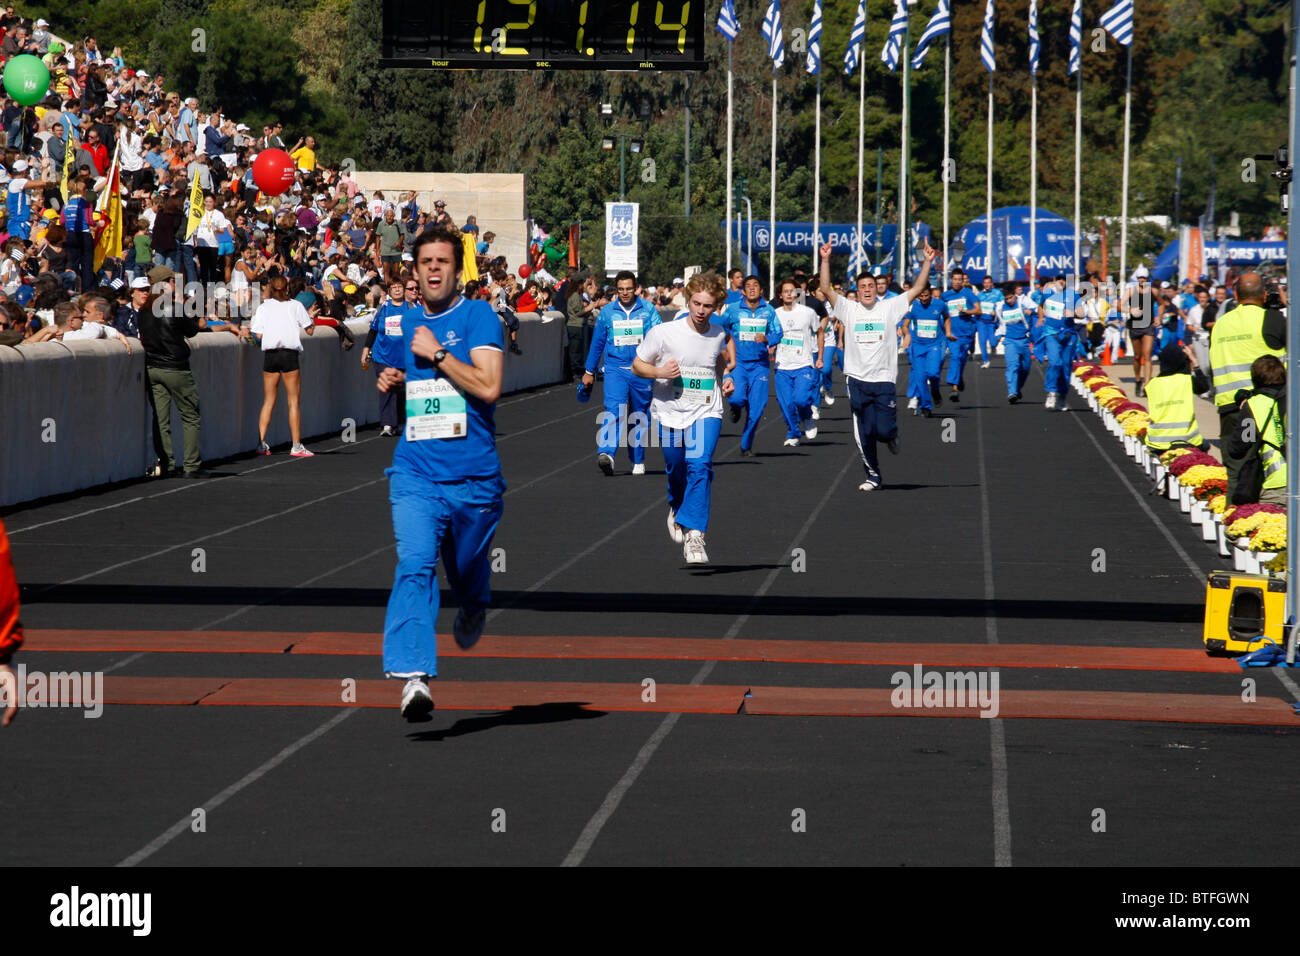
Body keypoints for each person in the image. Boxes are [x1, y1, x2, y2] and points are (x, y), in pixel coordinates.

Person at [377, 226, 506, 721]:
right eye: (425, 262)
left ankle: (474, 600)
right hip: (416, 472)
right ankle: (414, 678)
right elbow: (393, 386)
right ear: (414, 271)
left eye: (443, 262)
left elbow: (490, 387)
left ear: (457, 270)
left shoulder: (479, 316)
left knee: (468, 572)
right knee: (415, 564)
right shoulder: (405, 322)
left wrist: (436, 354)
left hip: (474, 477)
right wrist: (389, 380)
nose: (433, 269)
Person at [632, 271, 736, 564]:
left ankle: (695, 536)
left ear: (716, 307)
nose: (702, 311)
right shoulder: (664, 333)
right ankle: (677, 506)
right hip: (669, 411)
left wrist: (725, 378)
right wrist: (659, 372)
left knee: (700, 464)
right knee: (675, 467)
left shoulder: (717, 333)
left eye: (708, 306)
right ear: (688, 301)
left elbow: (716, 360)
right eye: (697, 304)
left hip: (706, 409)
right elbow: (638, 365)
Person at [819, 238, 937, 491]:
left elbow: (916, 289)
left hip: (883, 379)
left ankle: (891, 436)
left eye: (871, 286)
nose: (867, 290)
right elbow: (826, 289)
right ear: (857, 290)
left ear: (877, 288)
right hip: (856, 379)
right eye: (862, 287)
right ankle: (873, 474)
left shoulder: (889, 307)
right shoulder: (848, 309)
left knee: (882, 430)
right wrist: (826, 260)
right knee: (864, 432)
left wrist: (926, 263)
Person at [1210, 272, 1286, 502]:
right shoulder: (1271, 319)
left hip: (1231, 410)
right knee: (1276, 469)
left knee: (1239, 471)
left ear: (1235, 294)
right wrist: (1283, 308)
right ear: (1265, 294)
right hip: (1266, 410)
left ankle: (1238, 526)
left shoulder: (1221, 324)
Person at [584, 269, 661, 475]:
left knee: (639, 415)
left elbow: (660, 339)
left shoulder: (648, 310)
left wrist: (659, 369)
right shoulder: (608, 312)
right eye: (621, 290)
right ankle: (607, 453)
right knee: (614, 410)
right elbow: (597, 343)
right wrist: (589, 371)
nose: (625, 293)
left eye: (628, 289)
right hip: (615, 370)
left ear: (636, 288)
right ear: (616, 290)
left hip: (641, 370)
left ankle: (637, 459)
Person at [140, 265, 206, 478]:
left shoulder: (143, 310)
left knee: (160, 418)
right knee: (191, 416)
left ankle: (167, 464)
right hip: (176, 367)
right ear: (166, 283)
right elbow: (193, 330)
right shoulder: (172, 307)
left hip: (153, 367)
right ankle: (191, 465)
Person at [250, 275, 317, 457]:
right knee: (293, 401)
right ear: (287, 287)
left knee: (268, 400)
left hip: (270, 355)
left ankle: (261, 443)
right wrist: (312, 318)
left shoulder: (264, 307)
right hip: (289, 354)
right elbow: (309, 330)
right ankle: (296, 445)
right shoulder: (295, 306)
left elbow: (257, 333)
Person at [719, 275, 783, 456]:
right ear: (743, 291)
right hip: (738, 363)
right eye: (748, 286)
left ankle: (746, 446)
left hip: (760, 365)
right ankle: (736, 406)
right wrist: (724, 350)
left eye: (756, 285)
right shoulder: (732, 310)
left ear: (761, 290)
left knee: (756, 409)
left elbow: (778, 332)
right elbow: (720, 330)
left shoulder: (769, 311)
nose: (752, 288)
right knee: (737, 398)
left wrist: (767, 338)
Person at [1225, 355, 1286, 506]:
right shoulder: (1294, 397)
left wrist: (1245, 412)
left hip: (1278, 483)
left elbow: (1238, 448)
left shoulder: (1254, 406)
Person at [772, 276, 822, 443]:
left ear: (797, 293)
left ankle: (807, 415)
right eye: (785, 291)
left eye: (791, 291)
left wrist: (820, 356)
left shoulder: (807, 313)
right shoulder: (774, 314)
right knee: (786, 404)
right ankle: (793, 433)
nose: (788, 294)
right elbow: (769, 335)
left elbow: (820, 331)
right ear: (780, 295)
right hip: (782, 366)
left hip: (804, 364)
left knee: (800, 399)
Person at [362, 277, 409, 437]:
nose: (397, 290)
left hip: (402, 357)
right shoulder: (383, 308)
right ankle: (387, 424)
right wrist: (366, 349)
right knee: (386, 388)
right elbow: (373, 329)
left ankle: (398, 422)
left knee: (399, 390)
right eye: (394, 287)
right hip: (382, 355)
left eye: (399, 287)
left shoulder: (410, 308)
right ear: (389, 291)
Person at [1143, 343, 1210, 454]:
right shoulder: (1186, 380)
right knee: (1204, 445)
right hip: (1187, 440)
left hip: (1157, 442)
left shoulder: (1152, 385)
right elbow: (1204, 387)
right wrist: (1195, 362)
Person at [1036, 275, 1081, 411]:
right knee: (1055, 362)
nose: (1062, 281)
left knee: (1066, 366)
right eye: (1059, 279)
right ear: (1055, 281)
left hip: (1068, 334)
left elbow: (1082, 313)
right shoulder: (1048, 293)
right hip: (1051, 332)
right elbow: (1040, 306)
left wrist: (1072, 313)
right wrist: (1041, 318)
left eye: (1065, 279)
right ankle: (1051, 392)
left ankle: (1063, 396)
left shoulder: (1073, 294)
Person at [903, 281, 945, 417]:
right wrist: (907, 334)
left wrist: (948, 332)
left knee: (933, 373)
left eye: (926, 295)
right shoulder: (913, 306)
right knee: (920, 378)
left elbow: (948, 318)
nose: (923, 298)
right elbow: (905, 325)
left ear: (930, 293)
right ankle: (926, 406)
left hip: (934, 345)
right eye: (921, 296)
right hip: (918, 346)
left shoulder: (939, 304)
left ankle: (935, 390)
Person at [940, 268, 978, 406]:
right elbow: (941, 314)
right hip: (952, 334)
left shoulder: (968, 293)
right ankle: (954, 389)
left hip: (966, 333)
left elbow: (978, 310)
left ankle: (958, 377)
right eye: (954, 279)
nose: (957, 282)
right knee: (955, 357)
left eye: (959, 280)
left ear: (963, 281)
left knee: (961, 359)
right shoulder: (945, 296)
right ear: (951, 280)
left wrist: (966, 311)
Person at [996, 281, 1033, 403]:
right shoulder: (1000, 307)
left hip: (1024, 340)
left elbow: (1036, 308)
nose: (1009, 301)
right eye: (1006, 298)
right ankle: (1012, 392)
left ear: (1015, 295)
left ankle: (1017, 388)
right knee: (1012, 366)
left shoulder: (1023, 302)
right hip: (1010, 340)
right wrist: (998, 335)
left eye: (1010, 298)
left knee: (1025, 369)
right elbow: (1000, 323)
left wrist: (1030, 311)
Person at [975, 274, 1001, 367]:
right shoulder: (980, 295)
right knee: (982, 341)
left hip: (992, 322)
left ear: (992, 284)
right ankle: (985, 360)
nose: (986, 285)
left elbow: (1002, 305)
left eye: (988, 283)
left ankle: (997, 339)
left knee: (993, 343)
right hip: (981, 321)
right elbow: (976, 307)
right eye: (985, 283)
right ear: (983, 284)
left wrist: (996, 312)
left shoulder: (998, 293)